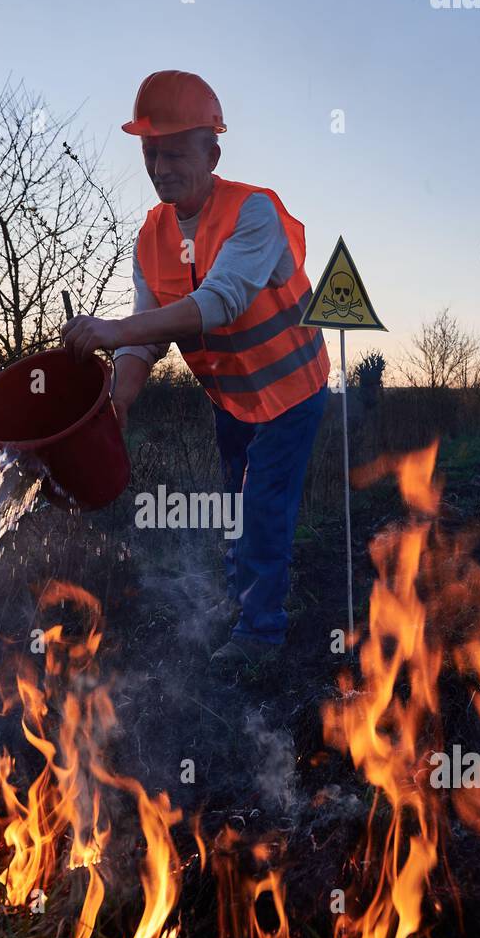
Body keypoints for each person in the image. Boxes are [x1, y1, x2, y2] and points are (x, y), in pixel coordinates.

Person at [62, 70, 329, 677]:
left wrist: (111, 331)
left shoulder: (253, 213)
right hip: (232, 398)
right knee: (235, 503)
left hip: (291, 391)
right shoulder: (151, 238)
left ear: (212, 150)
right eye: (150, 152)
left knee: (261, 504)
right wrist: (117, 400)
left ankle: (261, 637)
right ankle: (246, 603)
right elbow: (145, 334)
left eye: (174, 150)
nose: (159, 165)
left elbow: (220, 302)